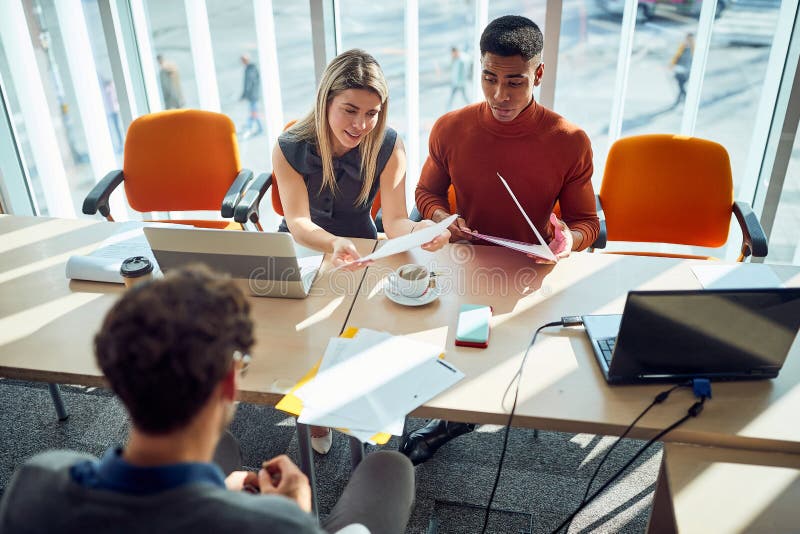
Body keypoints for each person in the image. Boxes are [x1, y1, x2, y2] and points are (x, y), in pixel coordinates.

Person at [0, 266, 415, 534]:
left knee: (225, 448)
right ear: (229, 386)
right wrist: (291, 511)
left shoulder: (37, 482)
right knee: (389, 468)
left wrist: (219, 489)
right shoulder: (276, 525)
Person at [407, 15, 600, 465]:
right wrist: (441, 216)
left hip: (534, 272)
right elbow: (426, 194)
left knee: (537, 369)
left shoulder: (570, 141)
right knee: (466, 346)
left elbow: (587, 221)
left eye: (514, 82)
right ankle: (451, 420)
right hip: (469, 265)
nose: (499, 95)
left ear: (538, 73)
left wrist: (568, 240)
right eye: (489, 78)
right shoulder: (451, 127)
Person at [273, 48, 450, 453]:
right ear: (326, 101)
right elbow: (298, 221)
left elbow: (394, 223)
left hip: (363, 247)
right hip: (305, 248)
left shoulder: (388, 146)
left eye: (372, 113)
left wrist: (421, 229)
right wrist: (330, 242)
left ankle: (352, 405)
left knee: (359, 335)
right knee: (301, 337)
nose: (361, 124)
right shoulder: (288, 147)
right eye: (350, 110)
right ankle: (317, 411)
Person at [240, 54, 264, 138]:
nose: (242, 62)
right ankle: (256, 127)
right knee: (253, 111)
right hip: (253, 94)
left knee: (253, 112)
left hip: (253, 95)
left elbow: (249, 83)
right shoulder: (251, 68)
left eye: (242, 60)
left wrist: (245, 94)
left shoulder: (250, 69)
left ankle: (252, 127)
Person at [670, 32, 694, 107]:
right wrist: (672, 65)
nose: (688, 40)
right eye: (687, 39)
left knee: (681, 85)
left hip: (686, 70)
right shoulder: (683, 47)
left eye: (689, 39)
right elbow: (677, 57)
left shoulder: (693, 48)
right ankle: (682, 98)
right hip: (680, 69)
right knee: (680, 84)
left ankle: (683, 98)